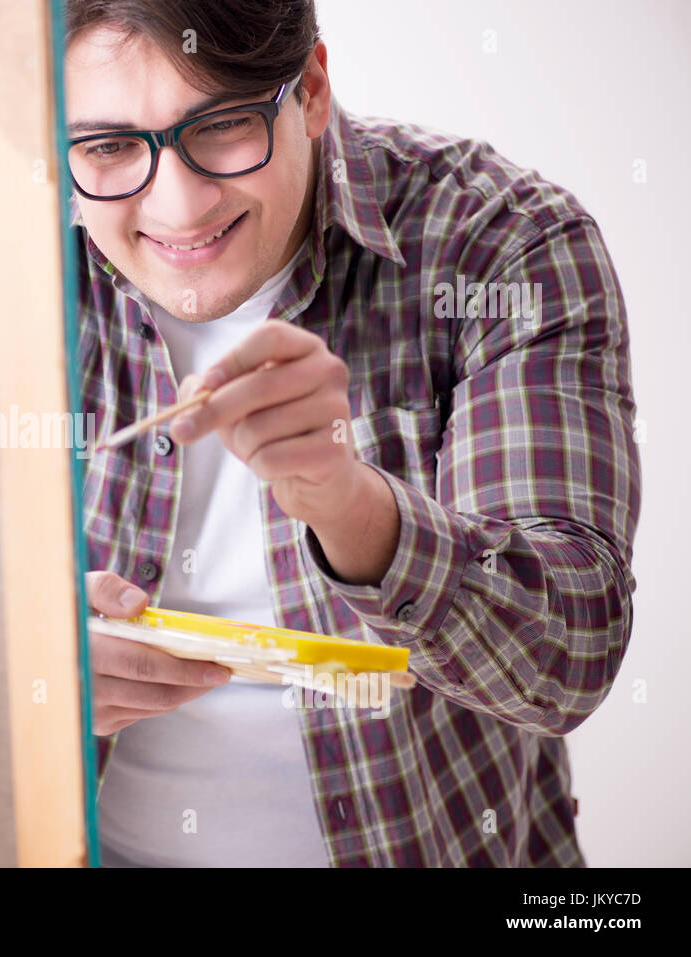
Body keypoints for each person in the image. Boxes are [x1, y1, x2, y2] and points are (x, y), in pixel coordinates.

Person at [65, 0, 641, 866]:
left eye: (220, 126)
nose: (178, 207)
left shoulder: (500, 242)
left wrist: (353, 508)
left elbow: (570, 655)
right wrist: (23, 665)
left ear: (313, 91)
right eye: (109, 148)